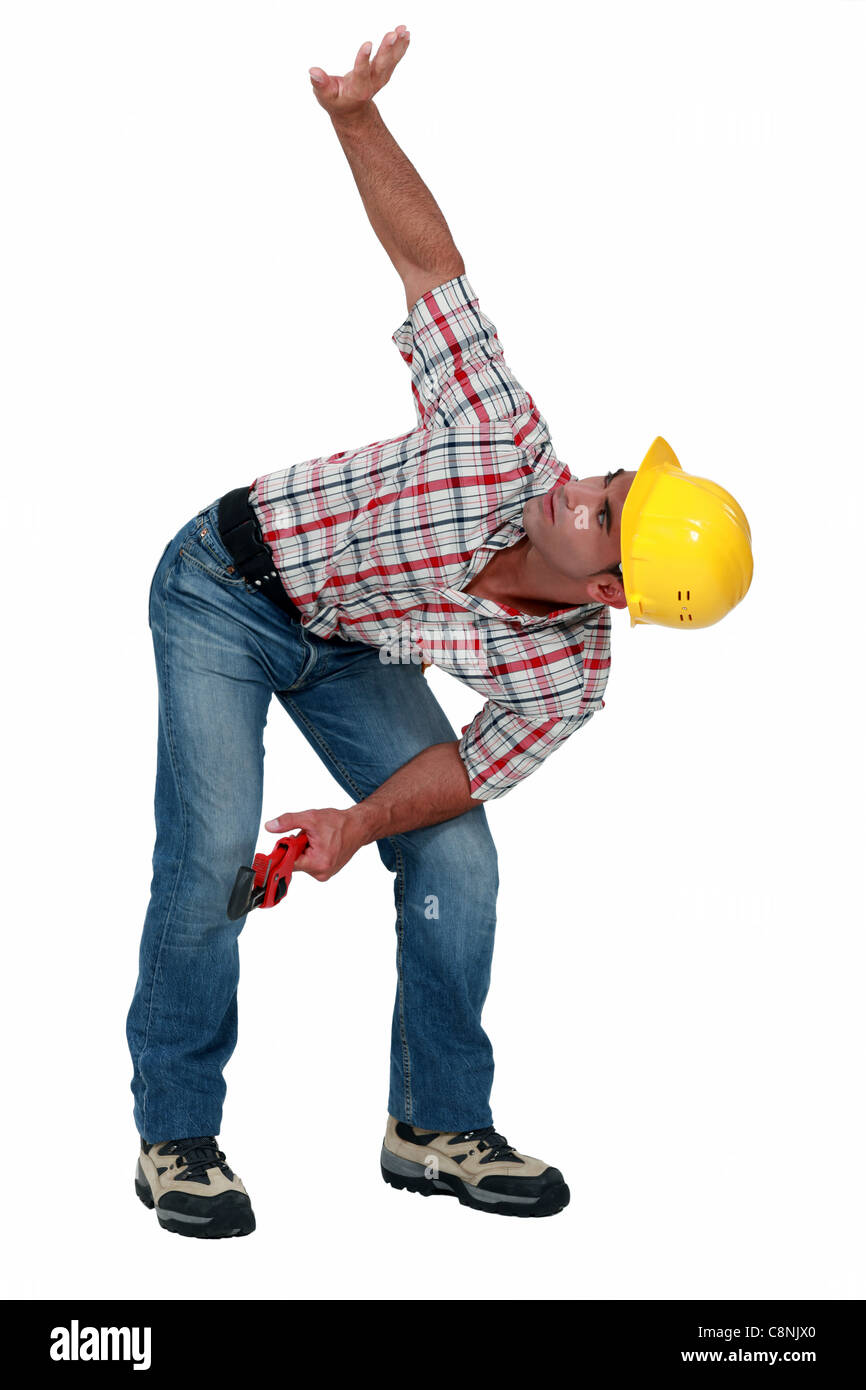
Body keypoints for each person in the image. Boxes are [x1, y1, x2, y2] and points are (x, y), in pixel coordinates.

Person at [127, 25, 753, 1238]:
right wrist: (354, 118)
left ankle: (432, 1123)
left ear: (615, 592)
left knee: (456, 853)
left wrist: (354, 824)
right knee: (208, 853)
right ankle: (177, 1136)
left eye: (609, 512)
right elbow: (432, 267)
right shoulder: (499, 433)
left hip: (347, 645)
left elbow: (463, 769)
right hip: (222, 586)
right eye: (615, 475)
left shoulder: (565, 678)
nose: (586, 485)